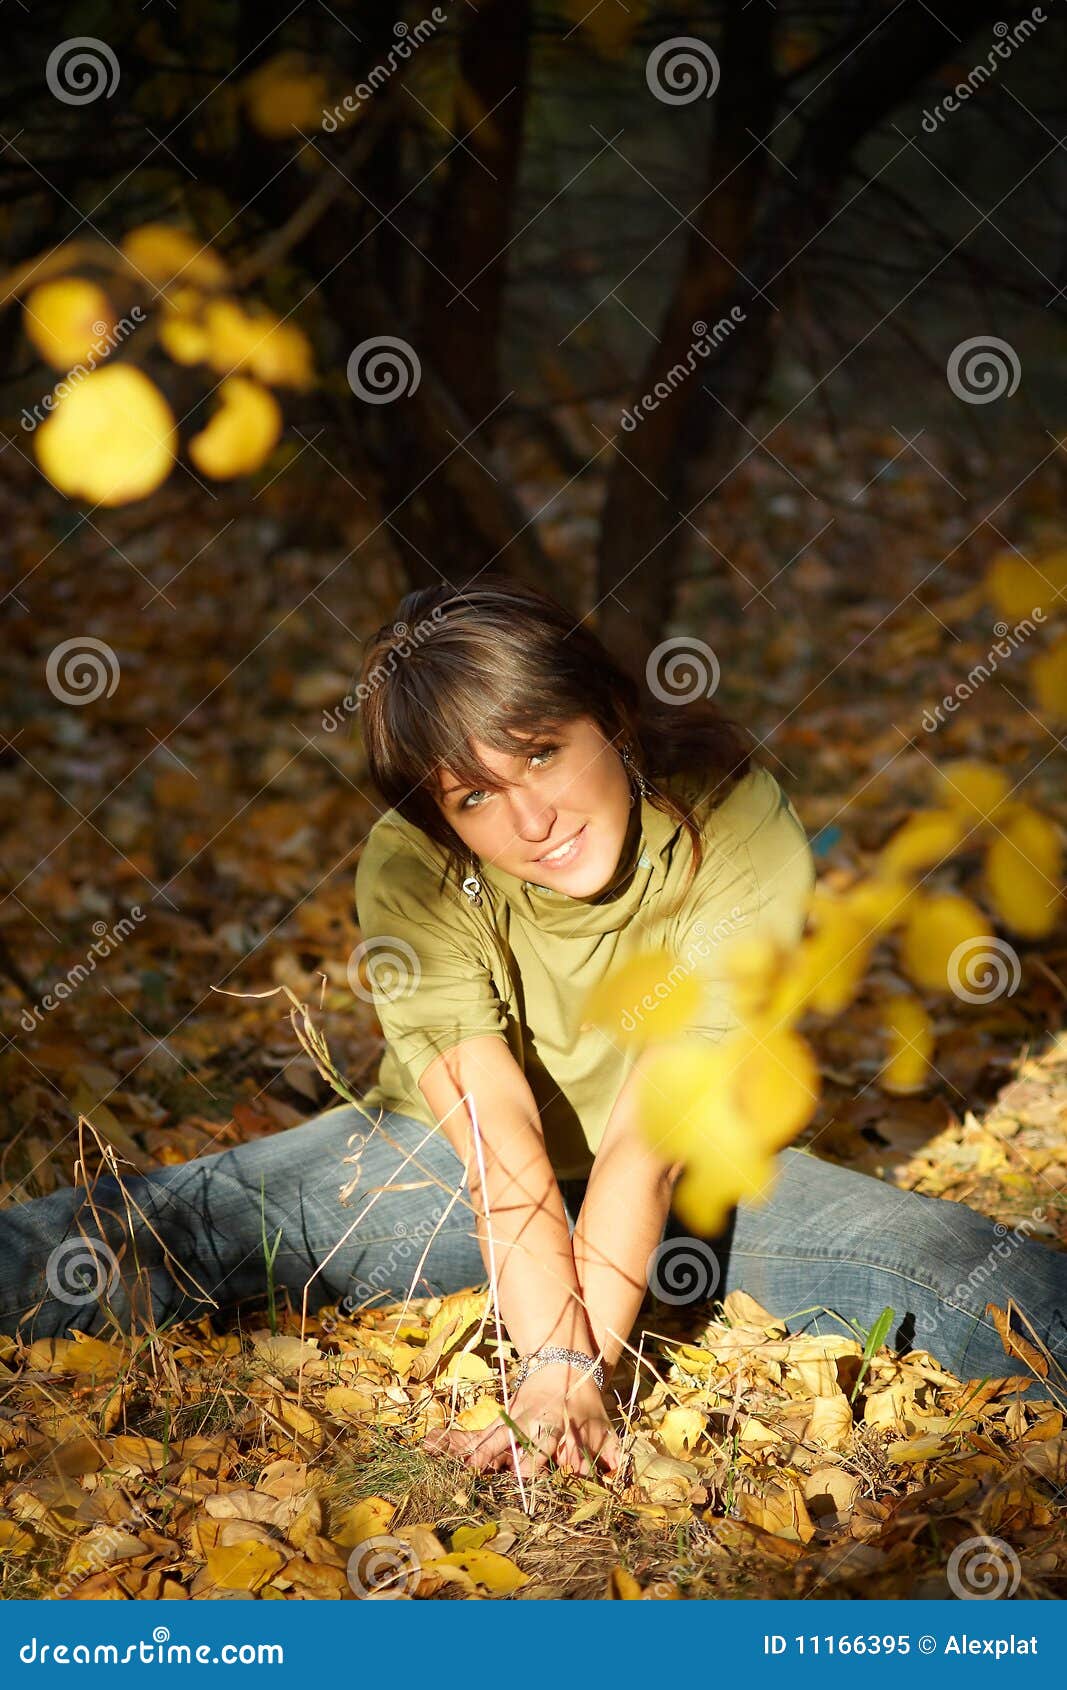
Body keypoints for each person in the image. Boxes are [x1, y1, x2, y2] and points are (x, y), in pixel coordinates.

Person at [1, 577, 1064, 1481]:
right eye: (472, 797)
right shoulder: (411, 866)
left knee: (968, 1271)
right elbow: (496, 1136)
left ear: (609, 711)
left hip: (694, 1175)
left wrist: (566, 1368)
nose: (529, 822)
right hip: (444, 1169)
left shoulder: (733, 818)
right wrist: (557, 1359)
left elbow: (650, 1145)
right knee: (159, 1227)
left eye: (543, 752)